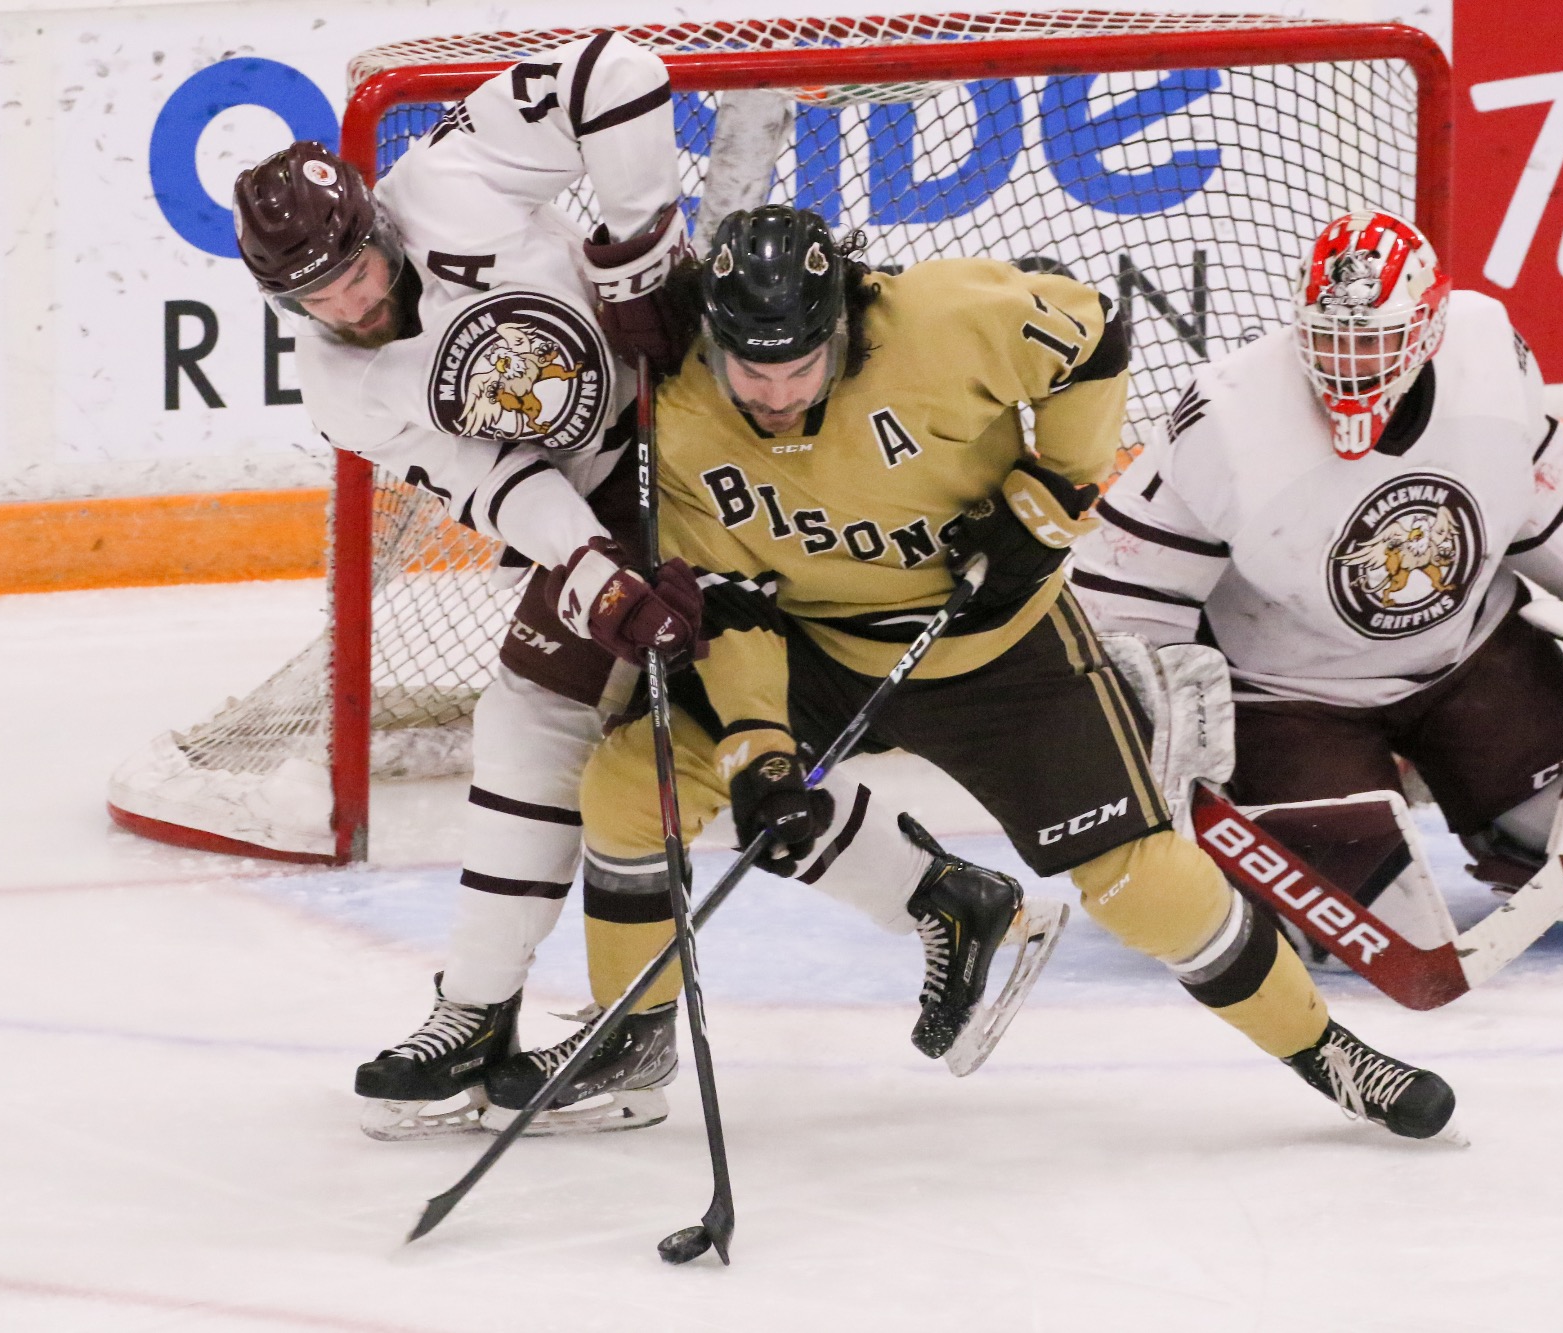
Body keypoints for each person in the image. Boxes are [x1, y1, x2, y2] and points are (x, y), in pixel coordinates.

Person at [232, 35, 1046, 1140]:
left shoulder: (449, 185)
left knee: (652, 735)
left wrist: (637, 254)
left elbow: (610, 71)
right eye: (323, 297)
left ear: (378, 225)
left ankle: (525, 1012)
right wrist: (594, 574)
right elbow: (496, 479)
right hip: (615, 497)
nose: (356, 302)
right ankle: (925, 898)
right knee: (585, 728)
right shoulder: (339, 385)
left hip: (718, 423)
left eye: (360, 270)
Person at [559, 204, 1458, 1141]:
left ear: (843, 323)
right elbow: (735, 604)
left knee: (1136, 882)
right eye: (754, 368)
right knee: (632, 784)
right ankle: (635, 1038)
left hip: (1001, 649)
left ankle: (1328, 1052)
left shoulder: (944, 318)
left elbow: (1095, 333)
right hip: (817, 646)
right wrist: (760, 755)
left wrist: (1055, 492)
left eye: (800, 365)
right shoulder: (681, 413)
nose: (777, 394)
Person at [1072, 210, 1563, 934]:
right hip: (1294, 695)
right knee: (1346, 914)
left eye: (1374, 340)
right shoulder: (1229, 419)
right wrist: (1161, 732)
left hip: (1472, 660)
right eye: (1331, 339)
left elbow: (1543, 486)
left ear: (1430, 327)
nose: (1350, 363)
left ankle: (1445, 764)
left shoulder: (1487, 357)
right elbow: (1126, 592)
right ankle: (1344, 776)